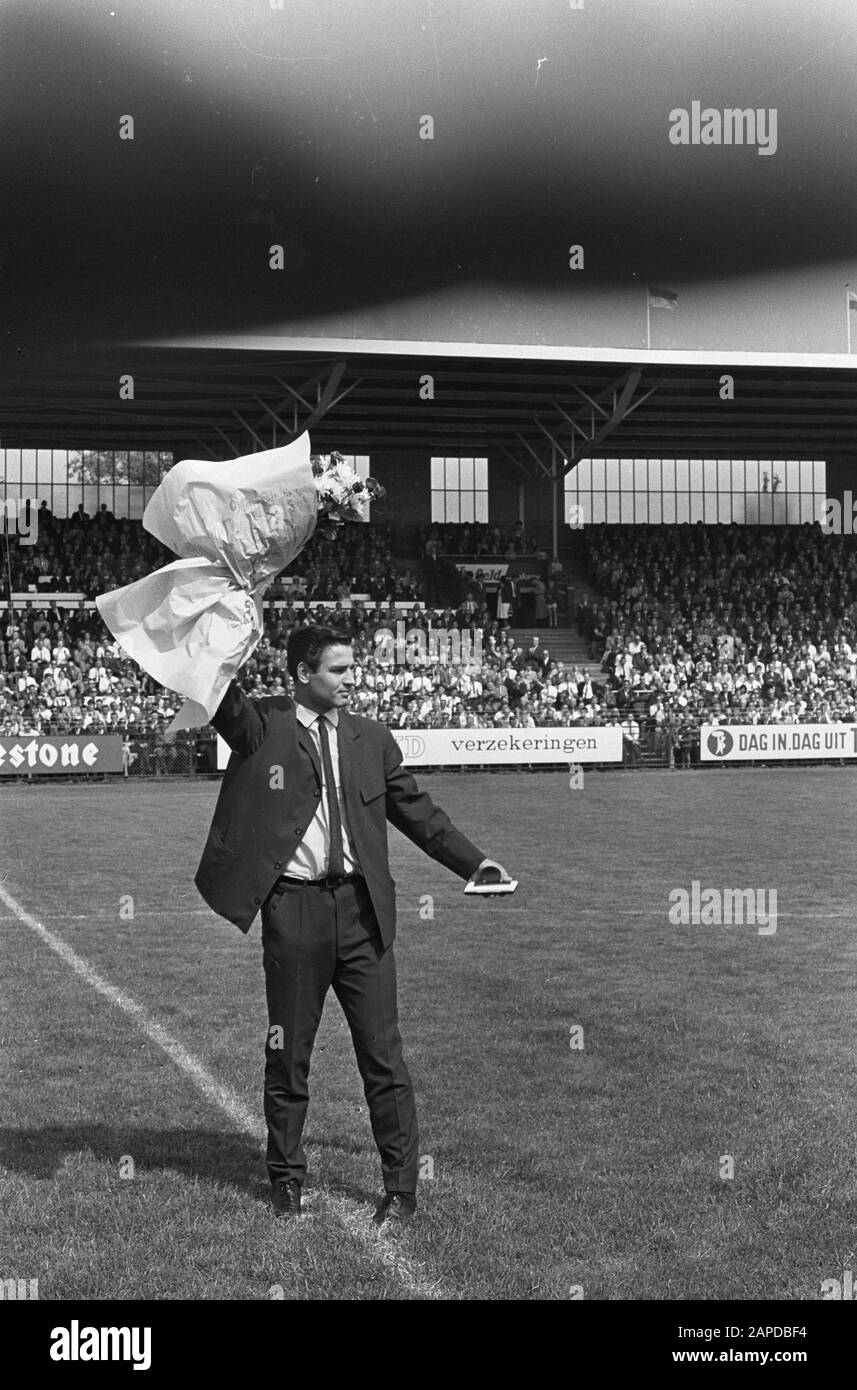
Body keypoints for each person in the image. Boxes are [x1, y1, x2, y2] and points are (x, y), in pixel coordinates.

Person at [195, 625, 512, 1226]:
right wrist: (230, 625)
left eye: (352, 668)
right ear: (300, 674)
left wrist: (474, 862)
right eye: (337, 670)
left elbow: (417, 812)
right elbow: (222, 697)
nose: (351, 680)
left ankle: (402, 1188)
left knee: (383, 1056)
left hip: (364, 915)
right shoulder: (261, 725)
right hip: (294, 912)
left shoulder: (372, 739)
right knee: (288, 1055)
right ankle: (286, 1180)